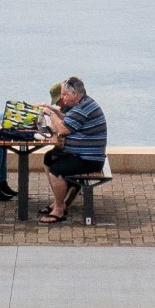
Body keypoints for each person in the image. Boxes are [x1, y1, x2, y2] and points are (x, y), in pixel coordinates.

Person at [44, 74, 107, 223]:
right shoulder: (82, 104)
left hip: (89, 159)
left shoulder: (83, 108)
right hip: (83, 154)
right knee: (49, 157)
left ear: (75, 94)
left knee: (56, 170)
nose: (63, 98)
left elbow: (63, 129)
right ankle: (59, 202)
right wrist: (53, 111)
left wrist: (51, 114)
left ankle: (59, 210)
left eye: (65, 94)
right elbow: (68, 118)